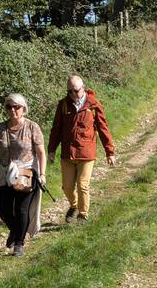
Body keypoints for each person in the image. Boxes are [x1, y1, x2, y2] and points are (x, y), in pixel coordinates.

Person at [47, 74, 117, 221]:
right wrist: (51, 150)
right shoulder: (63, 105)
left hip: (86, 153)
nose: (73, 94)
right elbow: (56, 129)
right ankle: (74, 206)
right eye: (69, 91)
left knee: (82, 186)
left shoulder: (93, 105)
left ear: (83, 88)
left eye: (76, 91)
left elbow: (103, 128)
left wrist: (110, 152)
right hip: (67, 153)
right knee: (67, 187)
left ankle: (82, 215)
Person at [0, 93, 45, 256]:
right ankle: (15, 230)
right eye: (9, 107)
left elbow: (41, 153)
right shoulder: (0, 128)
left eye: (16, 107)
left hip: (26, 172)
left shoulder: (32, 127)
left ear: (23, 109)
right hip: (4, 172)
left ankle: (19, 243)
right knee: (3, 209)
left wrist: (42, 174)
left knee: (21, 209)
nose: (12, 110)